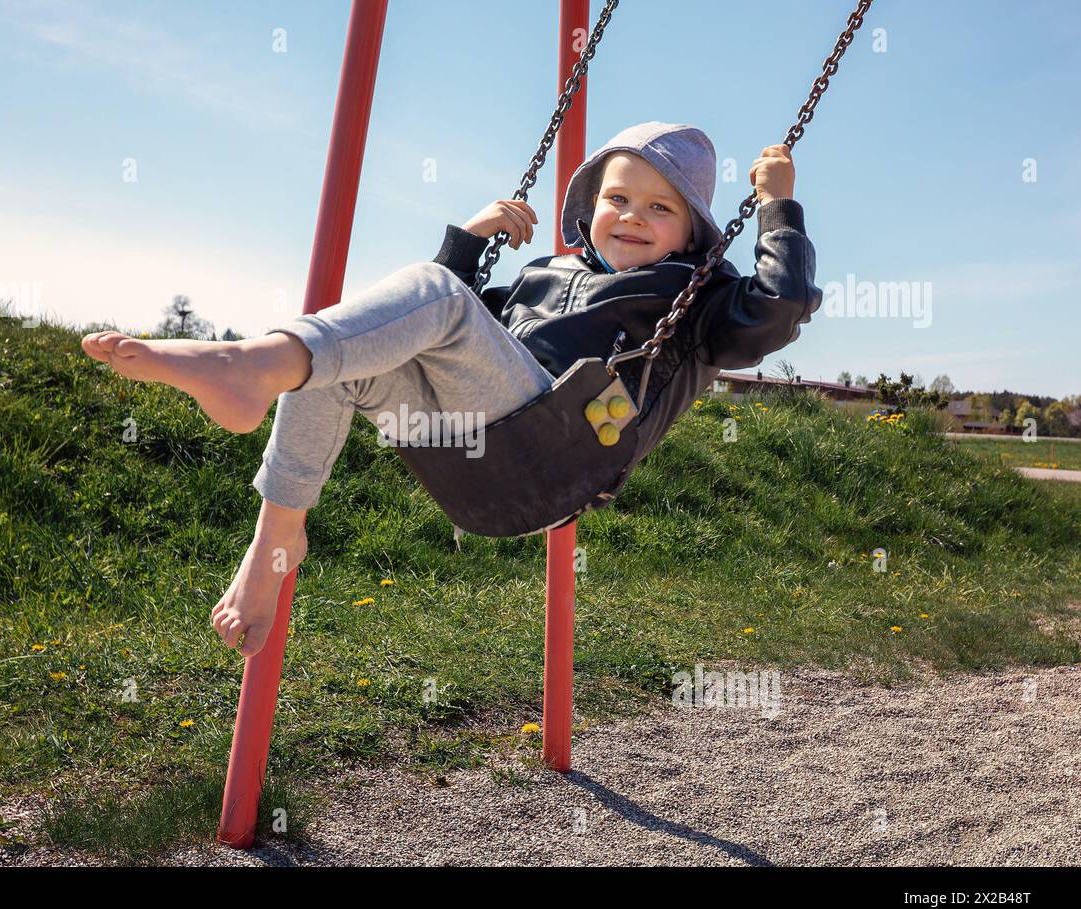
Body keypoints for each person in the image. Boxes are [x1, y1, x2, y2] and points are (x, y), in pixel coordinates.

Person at [80, 121, 822, 657]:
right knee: (344, 354)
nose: (631, 217)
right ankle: (276, 536)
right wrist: (469, 241)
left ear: (693, 232)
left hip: (559, 454)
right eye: (618, 197)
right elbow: (427, 332)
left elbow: (778, 312)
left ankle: (253, 366)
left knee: (417, 301)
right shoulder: (545, 275)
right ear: (588, 205)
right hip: (467, 457)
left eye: (661, 208)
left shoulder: (698, 299)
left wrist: (777, 209)